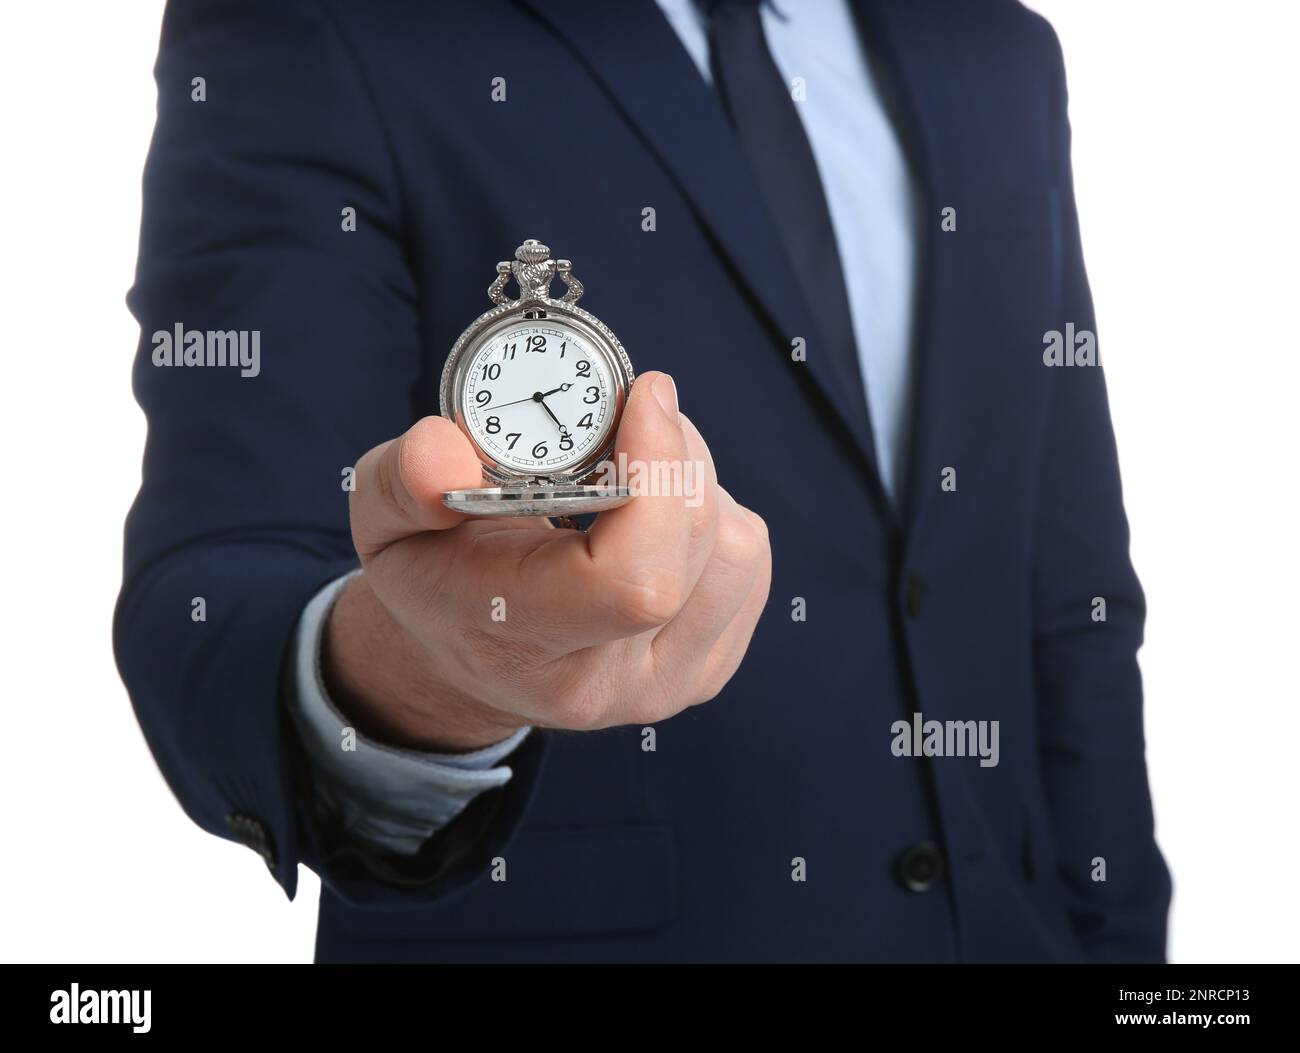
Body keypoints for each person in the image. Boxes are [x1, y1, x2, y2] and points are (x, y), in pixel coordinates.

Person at [115, 0, 1171, 962]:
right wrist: (434, 679)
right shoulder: (317, 25)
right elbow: (212, 588)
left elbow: (1066, 600)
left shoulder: (995, 52)